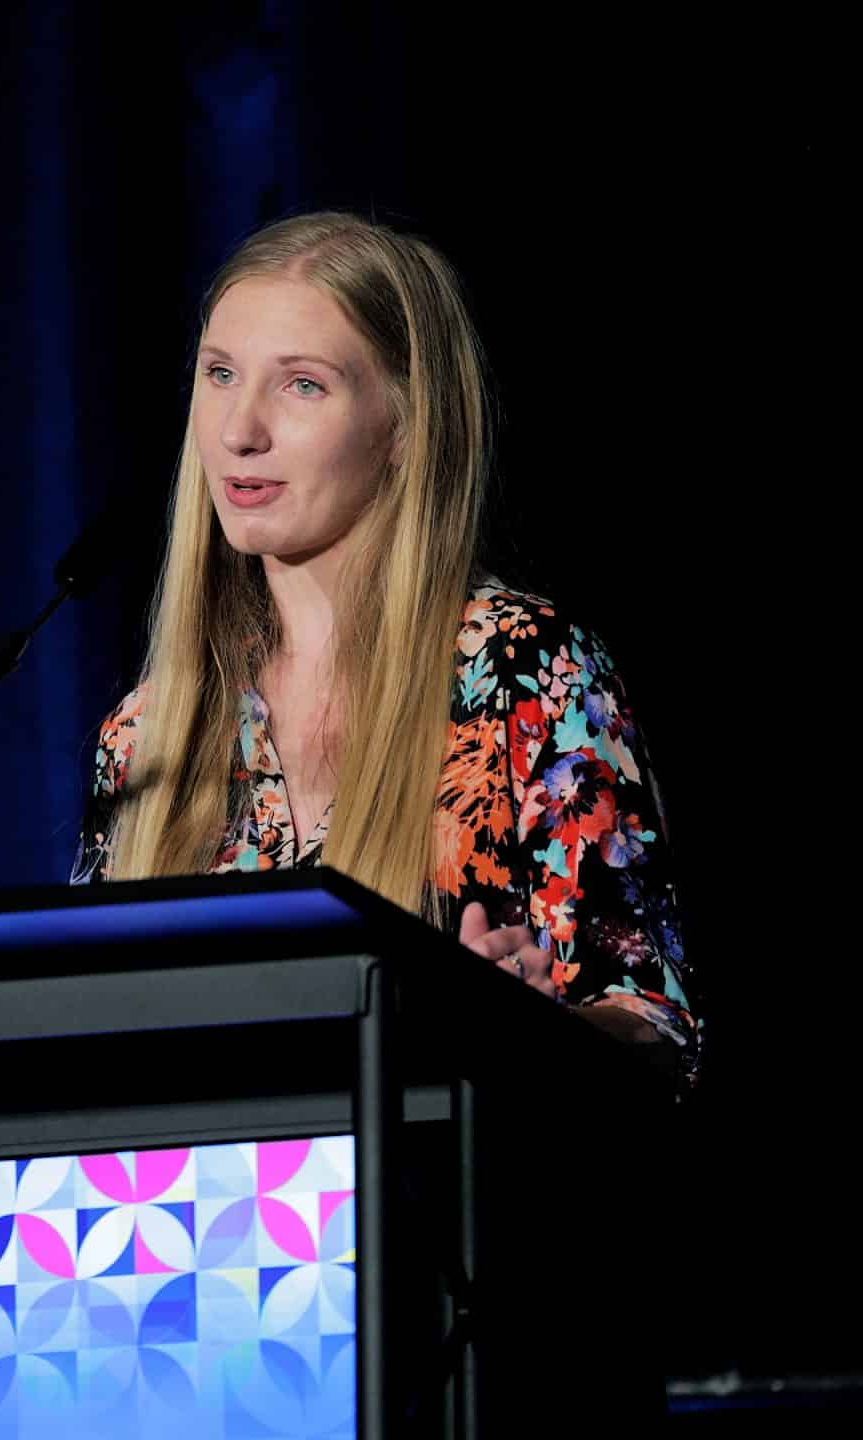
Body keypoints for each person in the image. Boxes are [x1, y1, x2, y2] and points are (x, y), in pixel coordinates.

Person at [70, 210, 698, 1092]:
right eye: (220, 375)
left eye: (302, 386)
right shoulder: (146, 738)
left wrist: (522, 1028)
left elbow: (653, 1025)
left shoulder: (520, 671)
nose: (238, 430)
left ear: (403, 424)